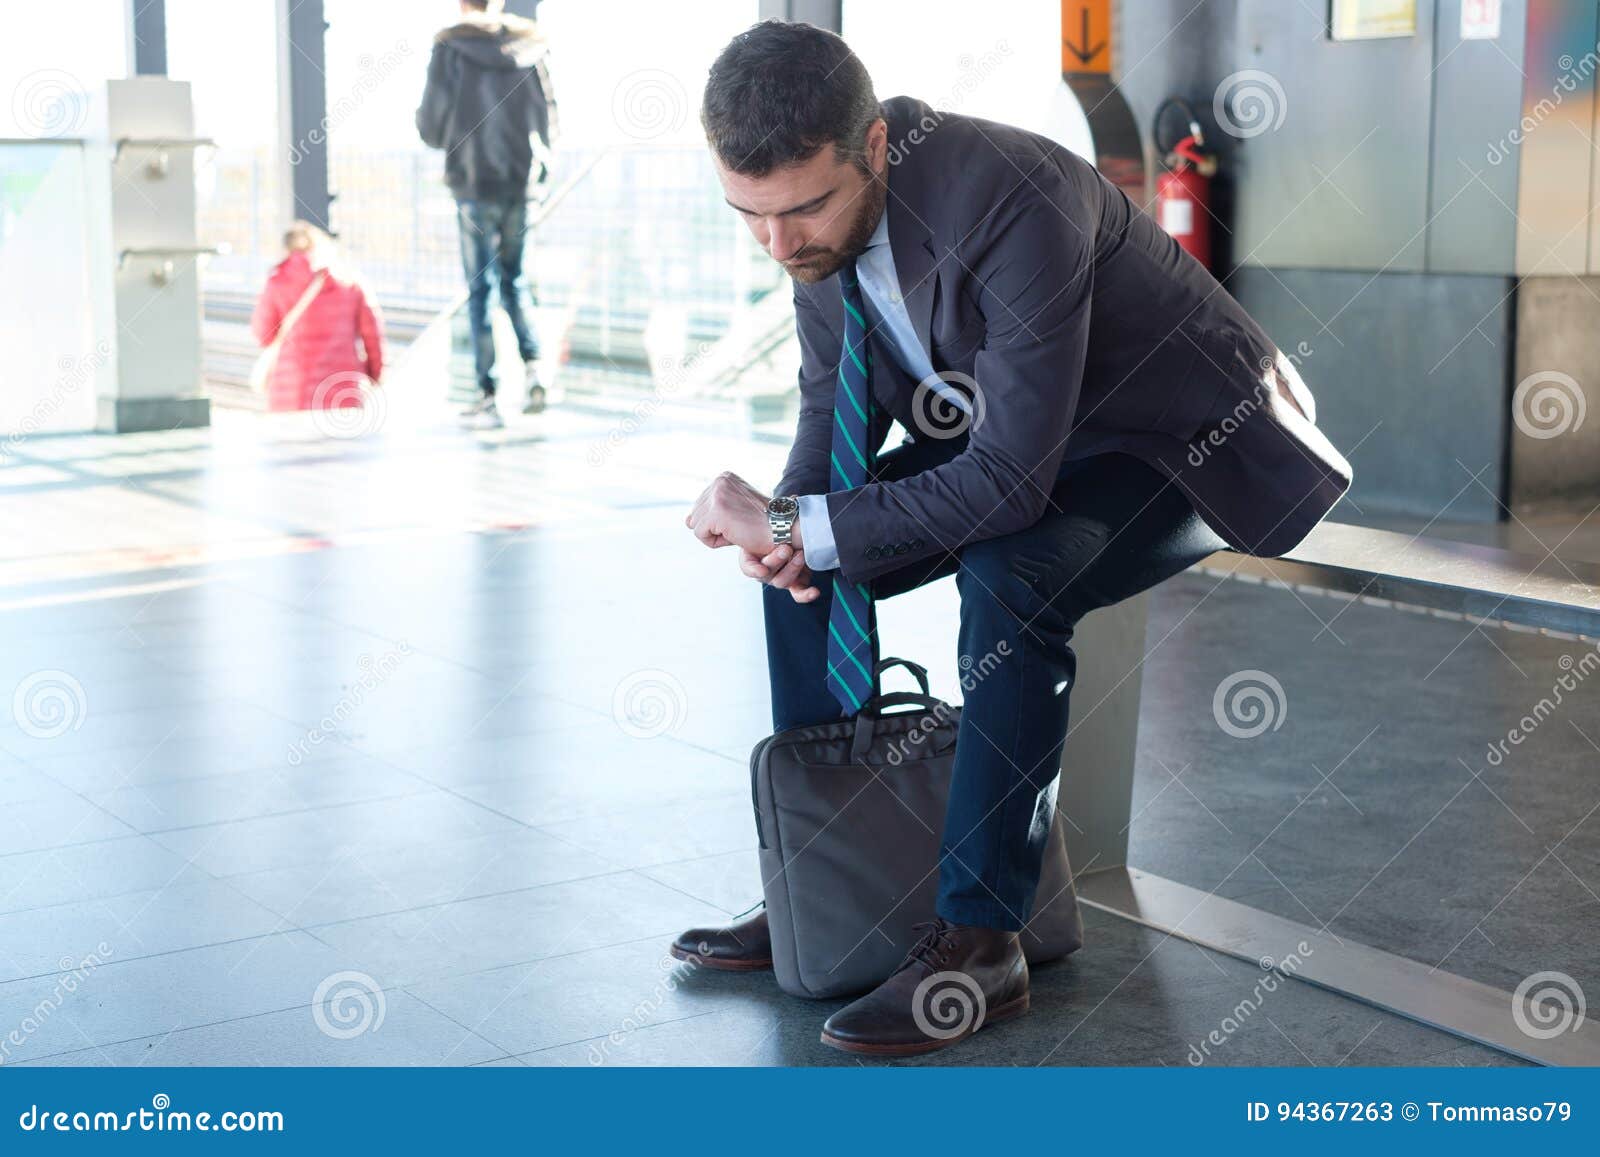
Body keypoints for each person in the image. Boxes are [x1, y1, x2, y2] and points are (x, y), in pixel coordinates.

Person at [679, 21, 1354, 1057]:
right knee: (799, 573)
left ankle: (983, 938)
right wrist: (787, 524)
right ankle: (825, 887)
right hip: (1031, 440)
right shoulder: (811, 231)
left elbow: (1007, 482)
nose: (780, 244)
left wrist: (801, 524)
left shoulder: (1007, 194)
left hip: (1178, 444)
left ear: (871, 150)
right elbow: (833, 418)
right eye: (749, 217)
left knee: (1013, 575)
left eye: (802, 208)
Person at [416, 0, 558, 429]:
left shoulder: (451, 47)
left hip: (473, 182)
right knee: (515, 281)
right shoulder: (530, 47)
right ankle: (536, 371)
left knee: (482, 288)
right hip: (521, 182)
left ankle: (487, 395)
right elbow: (550, 117)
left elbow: (431, 124)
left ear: (462, 4)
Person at [250, 221, 383, 413]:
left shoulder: (276, 283)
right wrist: (373, 375)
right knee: (344, 442)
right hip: (342, 390)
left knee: (294, 442)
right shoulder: (350, 282)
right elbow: (373, 336)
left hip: (292, 393)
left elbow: (263, 334)